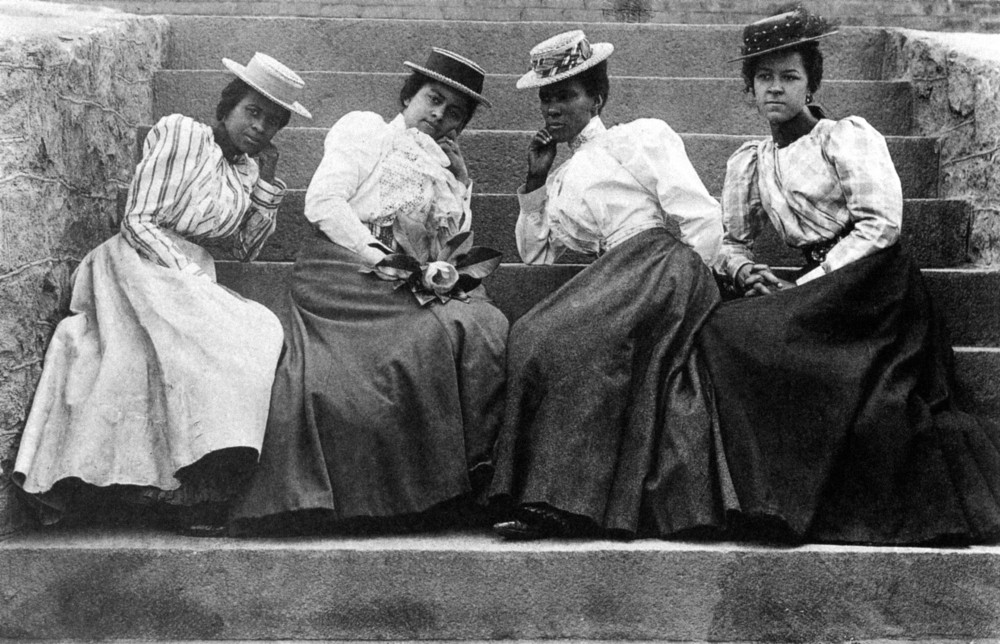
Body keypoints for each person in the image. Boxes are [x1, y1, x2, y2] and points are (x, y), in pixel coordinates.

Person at [700, 4, 1000, 544]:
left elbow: (880, 225)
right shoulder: (750, 162)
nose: (775, 89)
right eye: (763, 78)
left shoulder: (846, 137)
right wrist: (747, 271)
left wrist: (809, 286)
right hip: (813, 285)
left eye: (789, 76)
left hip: (871, 282)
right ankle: (766, 495)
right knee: (723, 327)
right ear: (749, 88)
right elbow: (731, 239)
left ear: (811, 81)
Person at [13, 53, 310, 536]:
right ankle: (180, 486)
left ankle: (203, 479)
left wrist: (266, 188)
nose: (260, 127)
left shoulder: (247, 171)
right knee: (204, 339)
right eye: (253, 112)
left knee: (262, 328)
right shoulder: (181, 133)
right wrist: (184, 276)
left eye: (273, 121)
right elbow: (138, 219)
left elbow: (243, 249)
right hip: (136, 261)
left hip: (189, 273)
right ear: (230, 104)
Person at [230, 48, 508, 534]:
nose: (439, 114)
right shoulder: (367, 132)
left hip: (410, 277)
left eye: (454, 112)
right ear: (409, 95)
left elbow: (450, 238)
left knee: (484, 322)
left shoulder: (443, 165)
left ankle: (468, 473)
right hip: (347, 270)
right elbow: (323, 203)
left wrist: (460, 183)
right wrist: (376, 254)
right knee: (425, 340)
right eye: (433, 99)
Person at [489, 30, 735, 540]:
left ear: (596, 98)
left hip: (659, 262)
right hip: (611, 272)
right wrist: (535, 183)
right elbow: (537, 254)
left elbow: (700, 212)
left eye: (567, 95)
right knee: (535, 334)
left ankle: (568, 502)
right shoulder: (558, 178)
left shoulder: (637, 138)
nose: (553, 108)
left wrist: (701, 283)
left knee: (576, 340)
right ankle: (541, 493)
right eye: (547, 97)